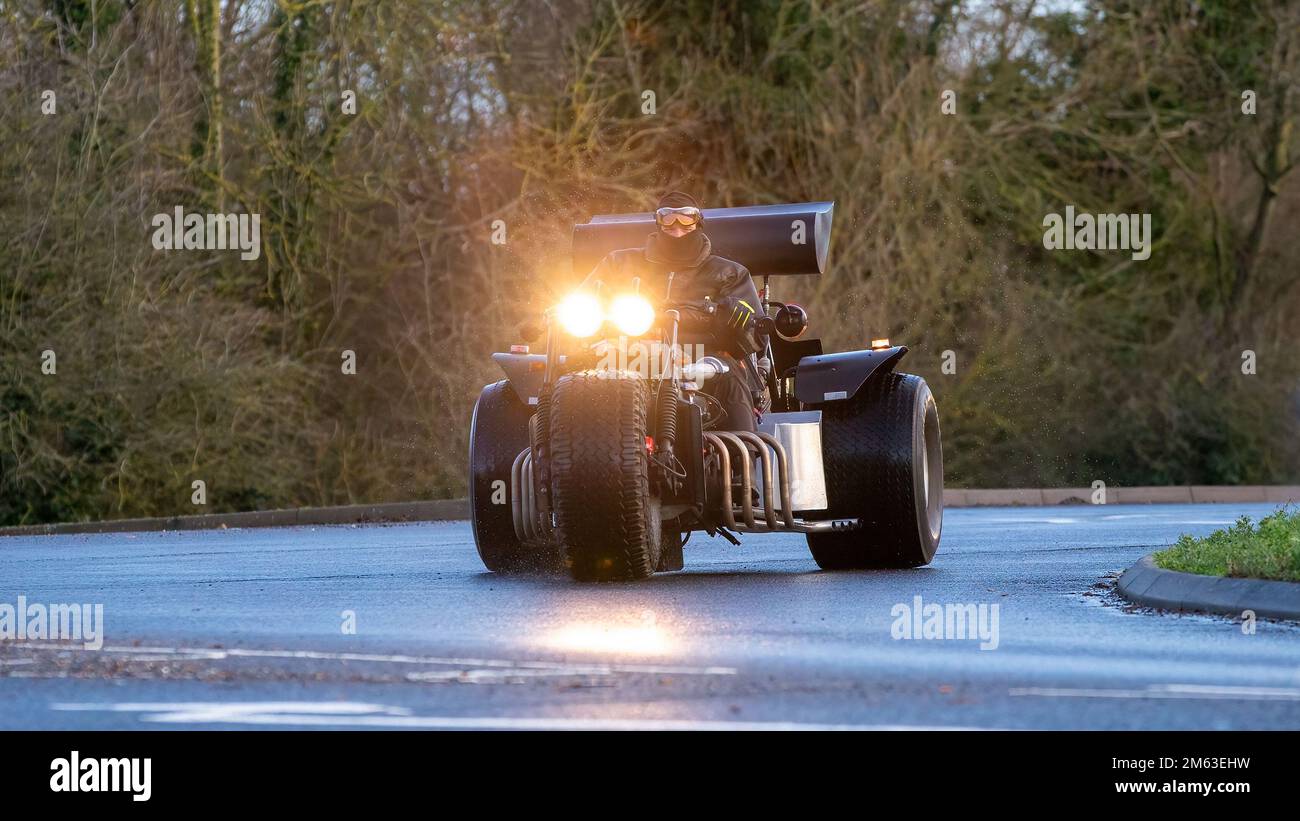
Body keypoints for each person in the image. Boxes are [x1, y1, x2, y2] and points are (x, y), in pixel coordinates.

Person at [580, 191, 766, 431]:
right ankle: (562, 452)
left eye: (686, 220)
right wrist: (556, 314)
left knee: (731, 376)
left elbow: (757, 334)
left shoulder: (729, 272)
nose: (677, 228)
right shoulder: (619, 263)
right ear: (657, 222)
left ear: (698, 222)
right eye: (668, 220)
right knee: (568, 376)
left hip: (703, 355)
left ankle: (744, 455)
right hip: (625, 352)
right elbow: (584, 300)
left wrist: (738, 319)